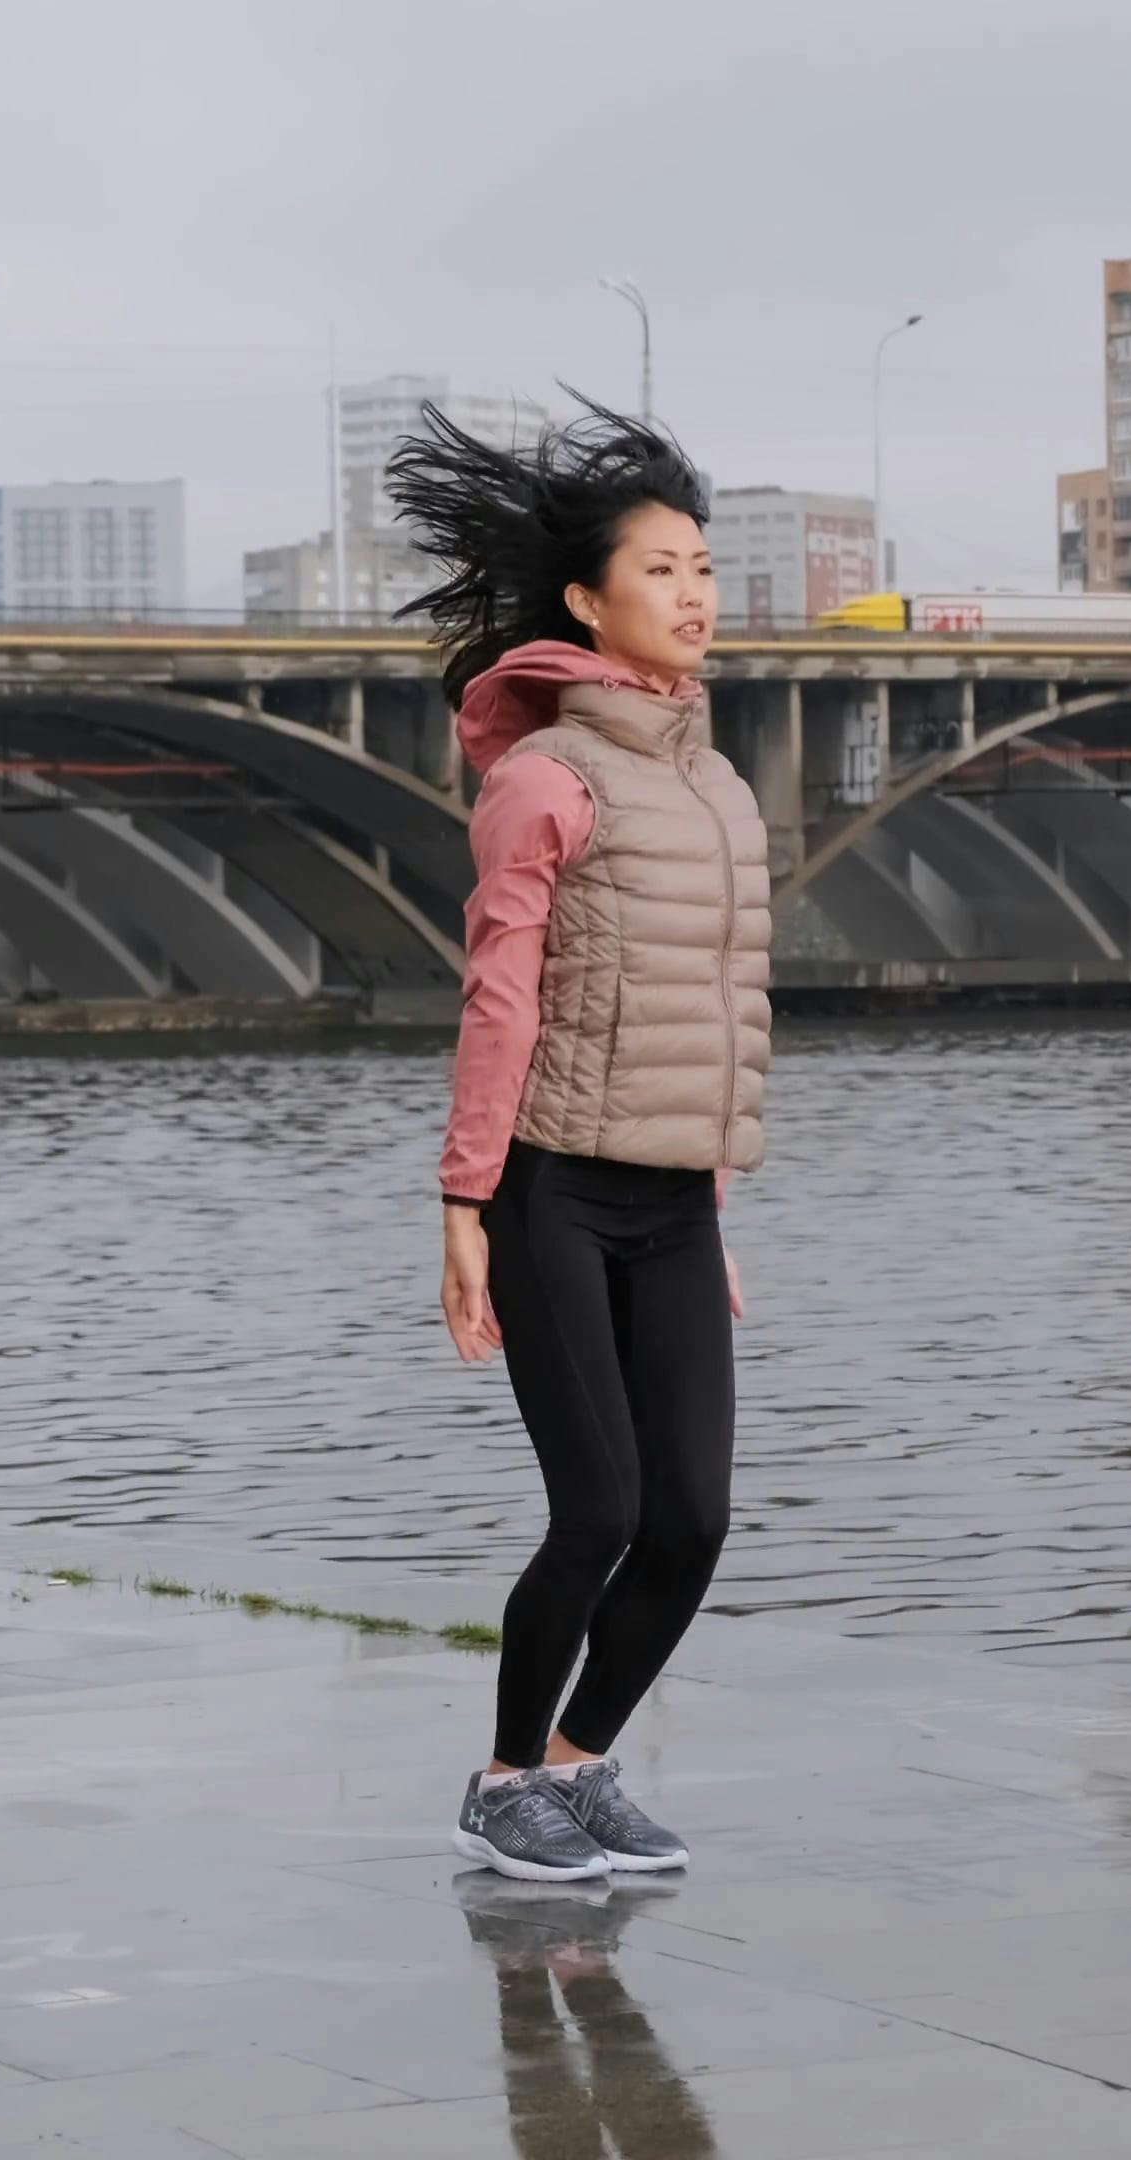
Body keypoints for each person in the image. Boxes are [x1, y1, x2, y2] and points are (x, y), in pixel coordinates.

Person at [389, 399, 771, 1883]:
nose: (694, 594)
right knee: (598, 1508)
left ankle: (575, 1763)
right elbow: (502, 995)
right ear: (587, 603)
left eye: (704, 568)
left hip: (674, 1201)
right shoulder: (545, 779)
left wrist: (713, 1206)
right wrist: (465, 1204)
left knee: (693, 1518)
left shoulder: (719, 790)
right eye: (661, 570)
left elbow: (711, 1013)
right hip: (551, 1192)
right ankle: (501, 1786)